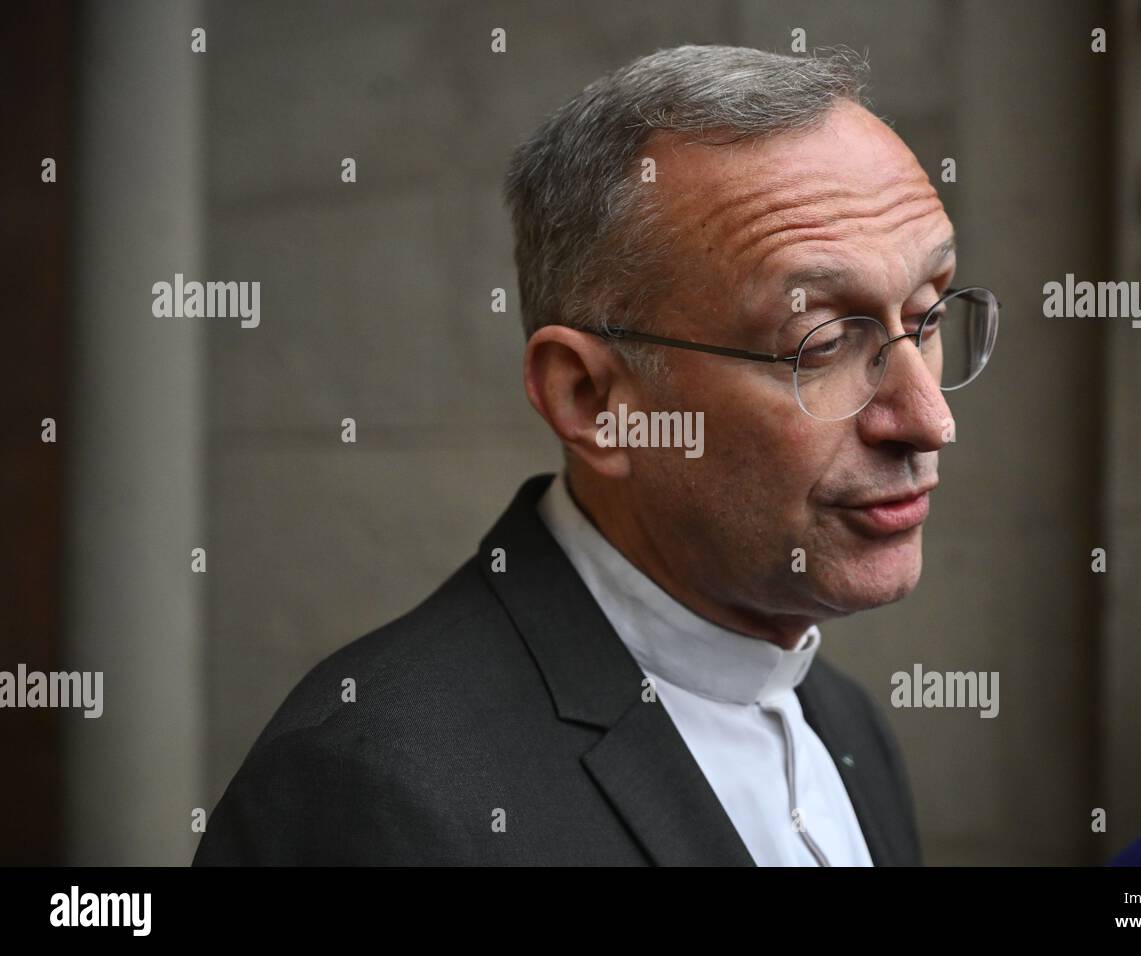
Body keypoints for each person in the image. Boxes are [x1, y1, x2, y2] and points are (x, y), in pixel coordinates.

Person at [193, 44, 997, 867]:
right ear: (591, 400)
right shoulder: (372, 791)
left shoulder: (846, 721)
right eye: (818, 344)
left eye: (928, 319)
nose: (929, 420)